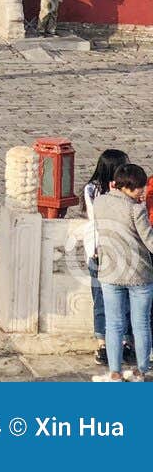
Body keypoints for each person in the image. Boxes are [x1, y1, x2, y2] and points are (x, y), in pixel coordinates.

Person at [92, 161, 153, 381]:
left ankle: (115, 371)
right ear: (127, 186)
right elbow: (150, 241)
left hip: (110, 271)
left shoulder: (100, 202)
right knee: (140, 323)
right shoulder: (136, 209)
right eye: (139, 187)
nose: (142, 191)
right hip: (139, 274)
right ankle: (142, 369)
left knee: (114, 324)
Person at [85, 149, 131, 366]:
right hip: (100, 250)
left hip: (122, 251)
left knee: (125, 299)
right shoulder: (93, 190)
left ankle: (124, 341)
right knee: (101, 299)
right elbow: (98, 219)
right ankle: (102, 343)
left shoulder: (128, 187)